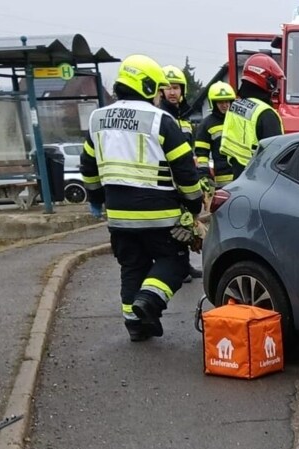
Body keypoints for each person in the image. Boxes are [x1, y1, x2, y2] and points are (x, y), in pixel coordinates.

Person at [80, 54, 204, 342]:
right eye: (160, 89)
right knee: (173, 261)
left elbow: (88, 167)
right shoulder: (161, 120)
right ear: (147, 86)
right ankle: (149, 301)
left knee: (132, 267)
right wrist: (194, 203)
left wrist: (97, 199)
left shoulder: (97, 118)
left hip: (119, 216)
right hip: (159, 213)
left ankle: (136, 325)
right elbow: (184, 169)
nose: (162, 95)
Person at [160, 65, 202, 283]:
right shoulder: (161, 117)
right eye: (167, 88)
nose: (172, 92)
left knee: (186, 223)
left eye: (176, 87)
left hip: (184, 177)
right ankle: (176, 267)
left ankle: (185, 265)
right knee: (173, 226)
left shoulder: (184, 119)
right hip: (168, 180)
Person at [220, 53, 285, 180]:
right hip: (260, 179)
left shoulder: (234, 106)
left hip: (237, 174)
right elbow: (277, 156)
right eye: (273, 81)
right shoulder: (266, 113)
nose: (276, 86)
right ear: (265, 80)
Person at [194, 81, 236, 189]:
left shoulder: (238, 120)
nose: (224, 105)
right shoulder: (206, 124)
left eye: (227, 101)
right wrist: (204, 175)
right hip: (221, 179)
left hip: (241, 175)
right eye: (220, 102)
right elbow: (202, 153)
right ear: (213, 103)